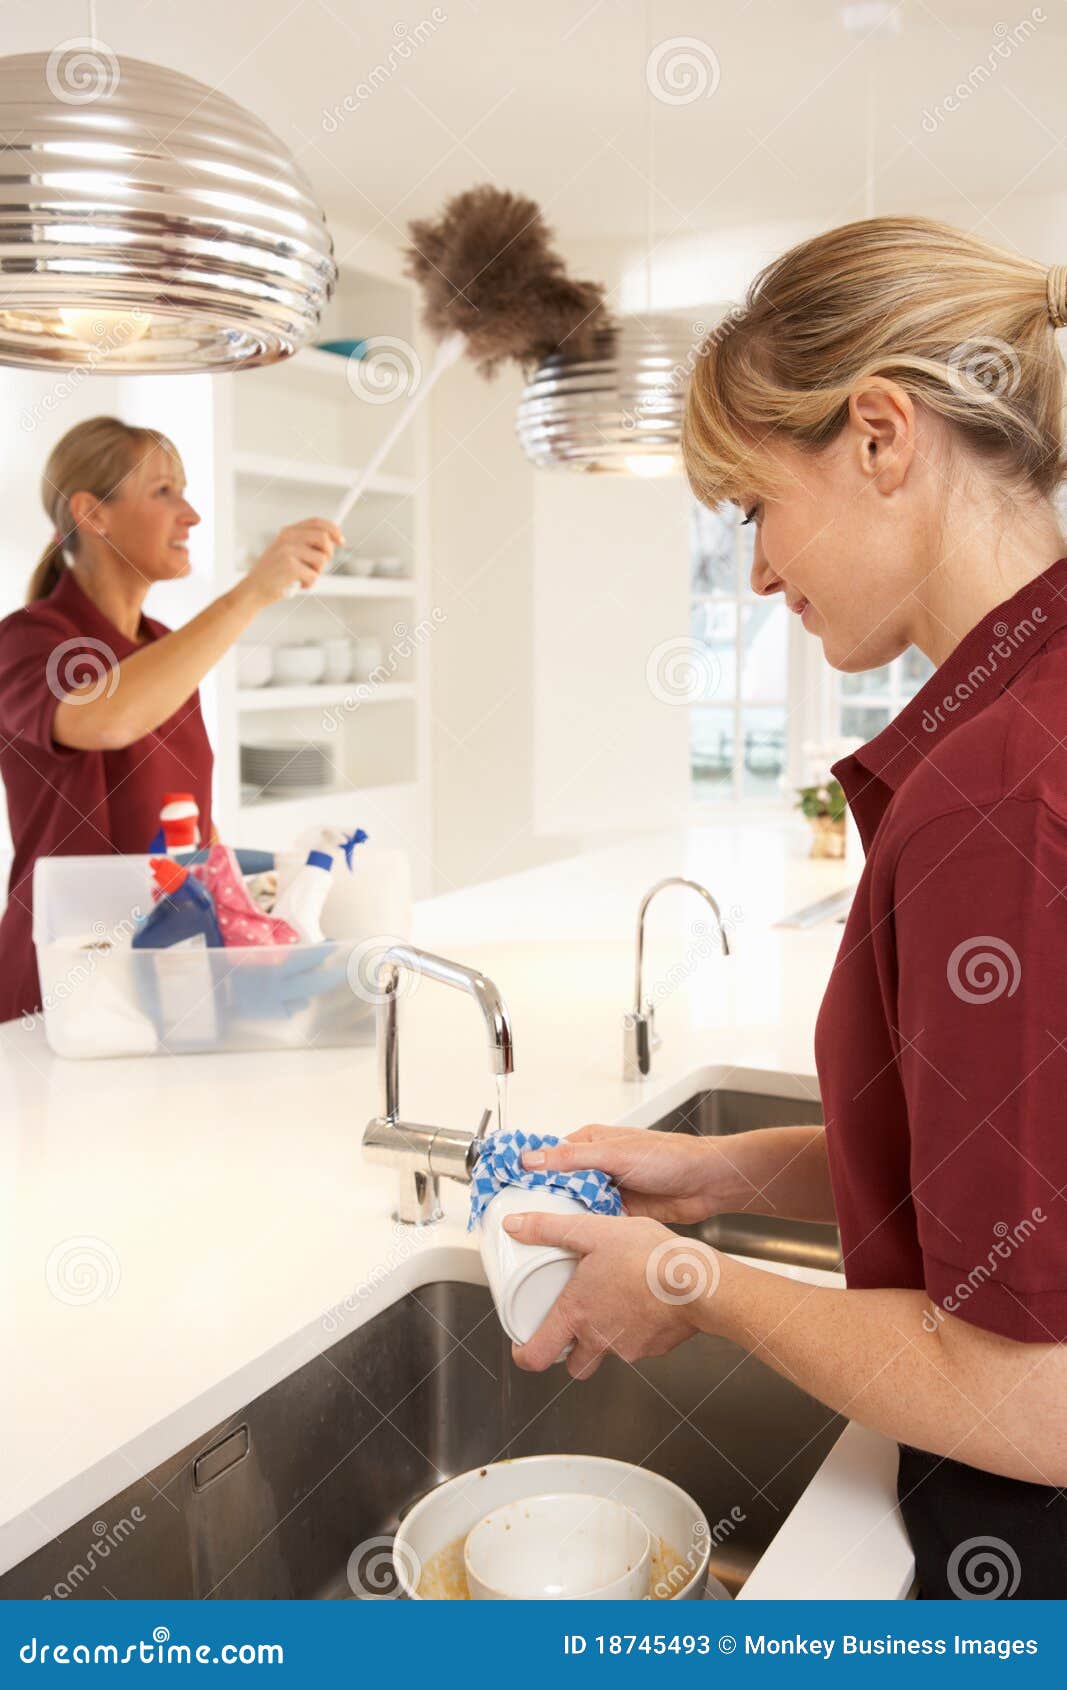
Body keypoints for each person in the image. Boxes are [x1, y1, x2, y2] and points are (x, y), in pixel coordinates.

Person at [504, 217, 1067, 1598]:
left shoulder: (996, 787)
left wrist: (693, 1284)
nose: (752, 570)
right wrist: (719, 1174)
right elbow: (1013, 1180)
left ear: (879, 436)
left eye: (751, 503)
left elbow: (1034, 1402)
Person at [0, 415, 342, 1022]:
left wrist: (267, 895)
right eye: (163, 492)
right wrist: (253, 592)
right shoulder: (28, 640)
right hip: (58, 987)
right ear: (92, 513)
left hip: (168, 976)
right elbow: (104, 718)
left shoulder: (163, 648)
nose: (191, 515)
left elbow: (191, 828)